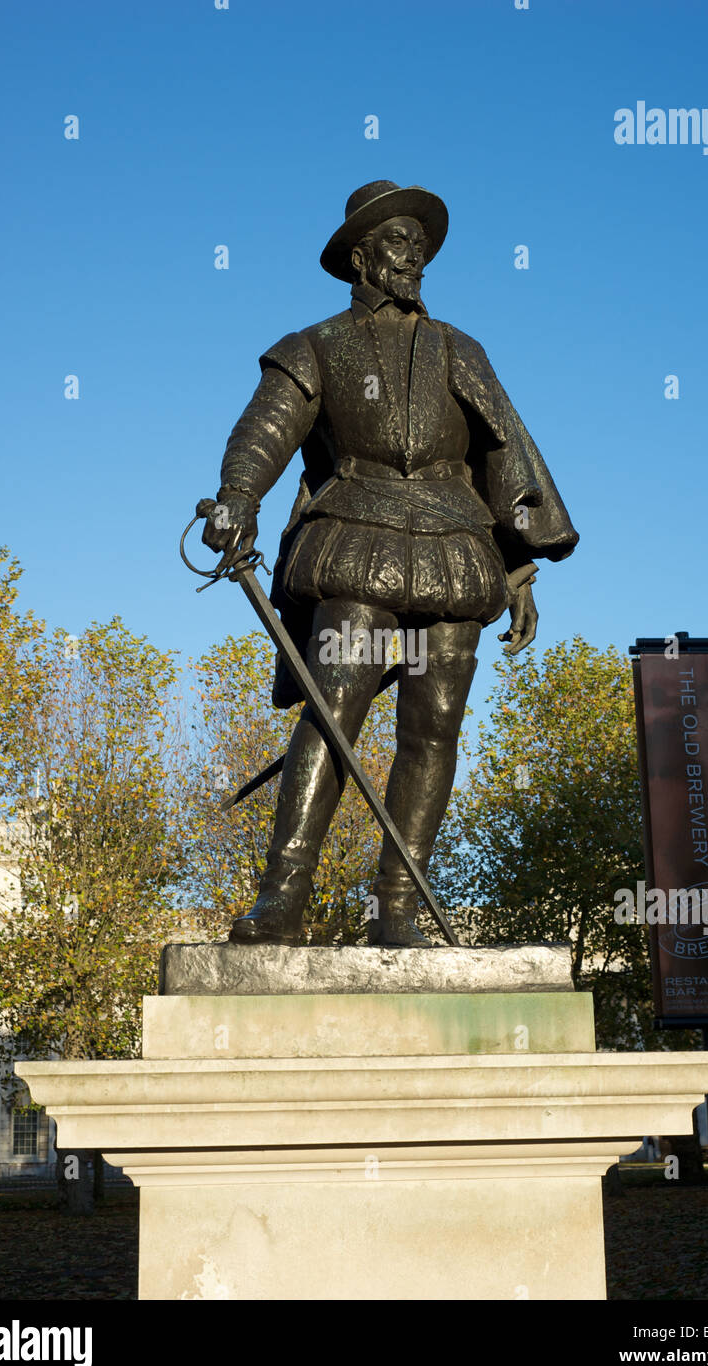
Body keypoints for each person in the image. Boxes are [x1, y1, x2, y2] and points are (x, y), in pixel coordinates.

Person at [197, 180, 578, 947]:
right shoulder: (314, 345)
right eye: (401, 243)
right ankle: (281, 902)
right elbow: (266, 428)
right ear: (361, 258)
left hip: (453, 548)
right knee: (334, 712)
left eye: (420, 244)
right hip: (356, 538)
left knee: (434, 727)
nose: (417, 257)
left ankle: (397, 907)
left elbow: (499, 448)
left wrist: (519, 566)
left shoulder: (457, 348)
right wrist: (238, 495)